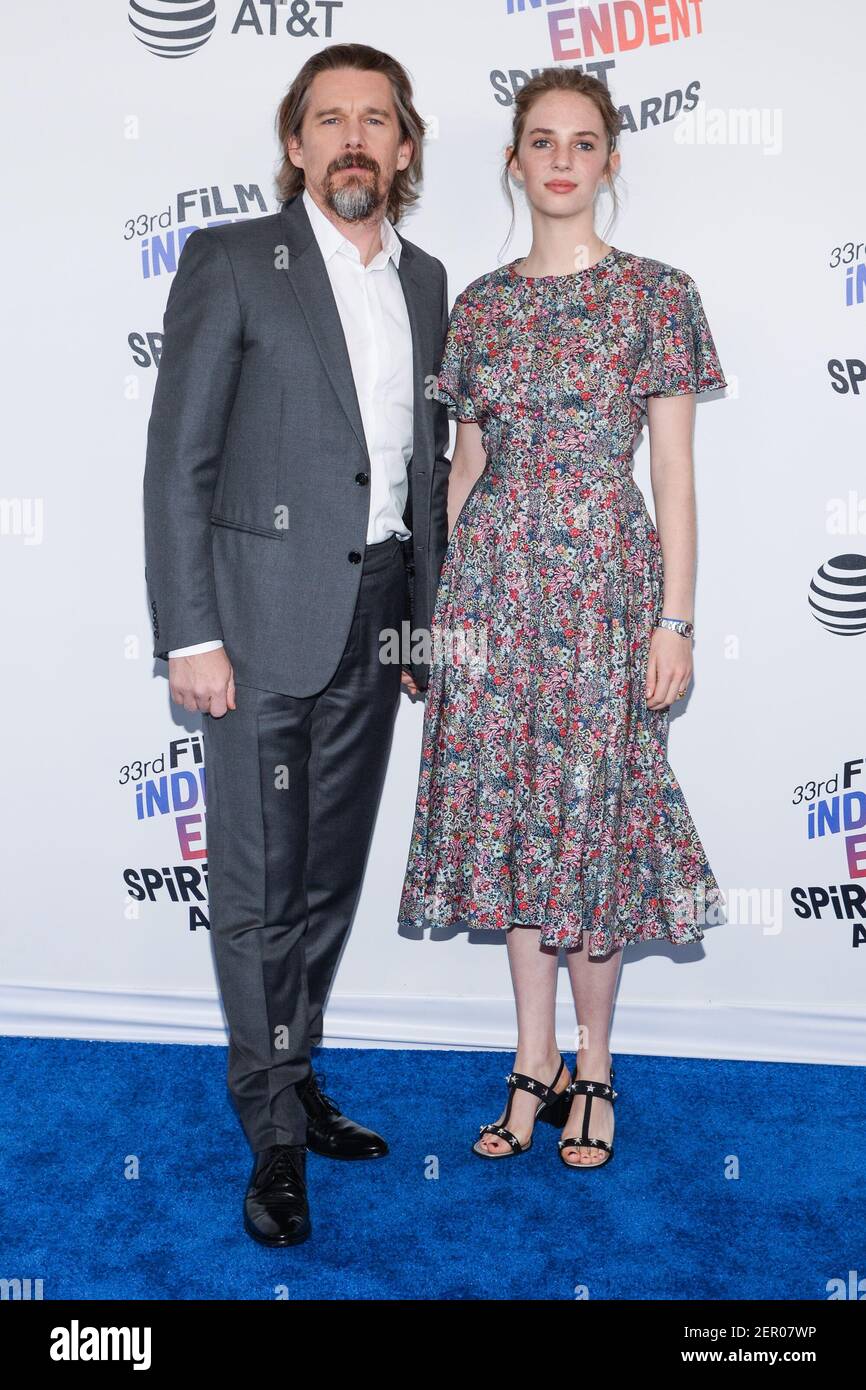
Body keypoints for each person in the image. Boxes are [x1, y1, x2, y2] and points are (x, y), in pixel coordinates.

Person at [143, 43, 451, 1243]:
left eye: (375, 119)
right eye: (329, 119)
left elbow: (419, 468)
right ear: (294, 143)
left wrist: (419, 616)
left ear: (404, 146)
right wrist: (191, 632)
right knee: (258, 886)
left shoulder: (425, 280)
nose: (352, 139)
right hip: (255, 625)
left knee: (325, 877)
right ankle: (272, 1129)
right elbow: (180, 462)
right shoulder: (232, 261)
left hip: (374, 619)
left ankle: (296, 1065)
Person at [398, 68, 727, 1169]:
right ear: (513, 159)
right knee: (513, 818)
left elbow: (672, 475)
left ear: (610, 162)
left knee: (591, 823)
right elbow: (463, 470)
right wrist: (438, 617)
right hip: (492, 588)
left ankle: (595, 1064)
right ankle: (530, 1059)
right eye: (541, 140)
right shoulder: (482, 306)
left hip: (603, 590)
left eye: (582, 142)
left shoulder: (657, 295)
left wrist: (675, 620)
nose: (560, 160)